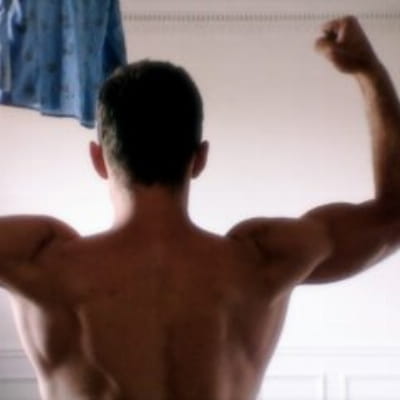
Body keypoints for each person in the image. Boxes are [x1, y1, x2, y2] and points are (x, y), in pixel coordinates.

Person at [0, 15, 399, 400]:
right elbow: (393, 216)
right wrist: (369, 71)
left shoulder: (40, 262)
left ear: (99, 159)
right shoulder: (263, 260)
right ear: (200, 158)